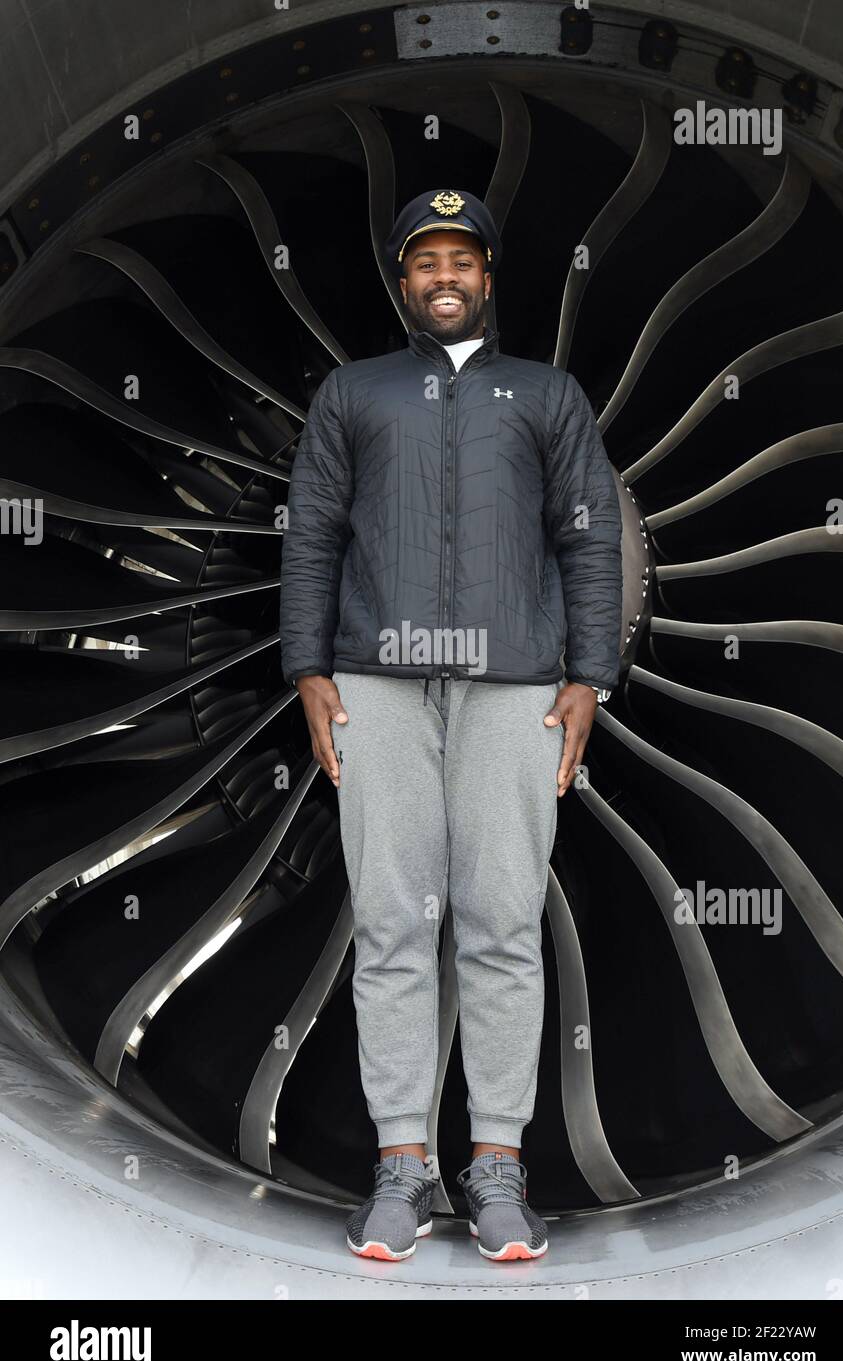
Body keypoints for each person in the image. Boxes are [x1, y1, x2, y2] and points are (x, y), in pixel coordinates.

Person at [280, 188, 623, 1261]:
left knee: (498, 921)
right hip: (376, 682)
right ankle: (398, 1171)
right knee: (390, 921)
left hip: (513, 683)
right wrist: (307, 669)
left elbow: (589, 544)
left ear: (486, 274)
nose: (441, 276)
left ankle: (497, 1171)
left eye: (458, 259)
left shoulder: (546, 395)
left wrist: (588, 678)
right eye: (421, 260)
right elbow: (313, 539)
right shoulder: (351, 393)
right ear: (401, 280)